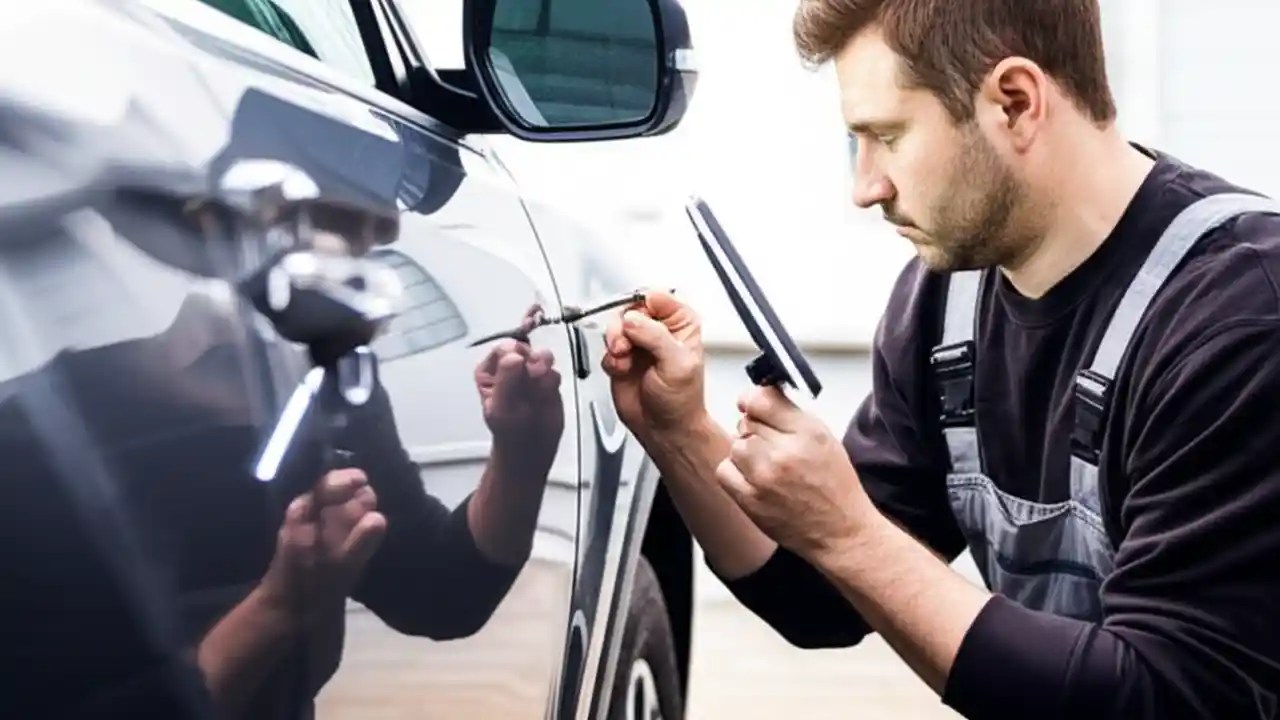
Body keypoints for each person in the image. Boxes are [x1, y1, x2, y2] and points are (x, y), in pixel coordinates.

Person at [601, 1, 1280, 717]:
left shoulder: (1238, 323)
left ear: (1014, 103)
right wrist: (680, 434)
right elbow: (815, 597)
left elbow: (1170, 699)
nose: (865, 188)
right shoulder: (946, 303)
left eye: (886, 137)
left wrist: (849, 533)